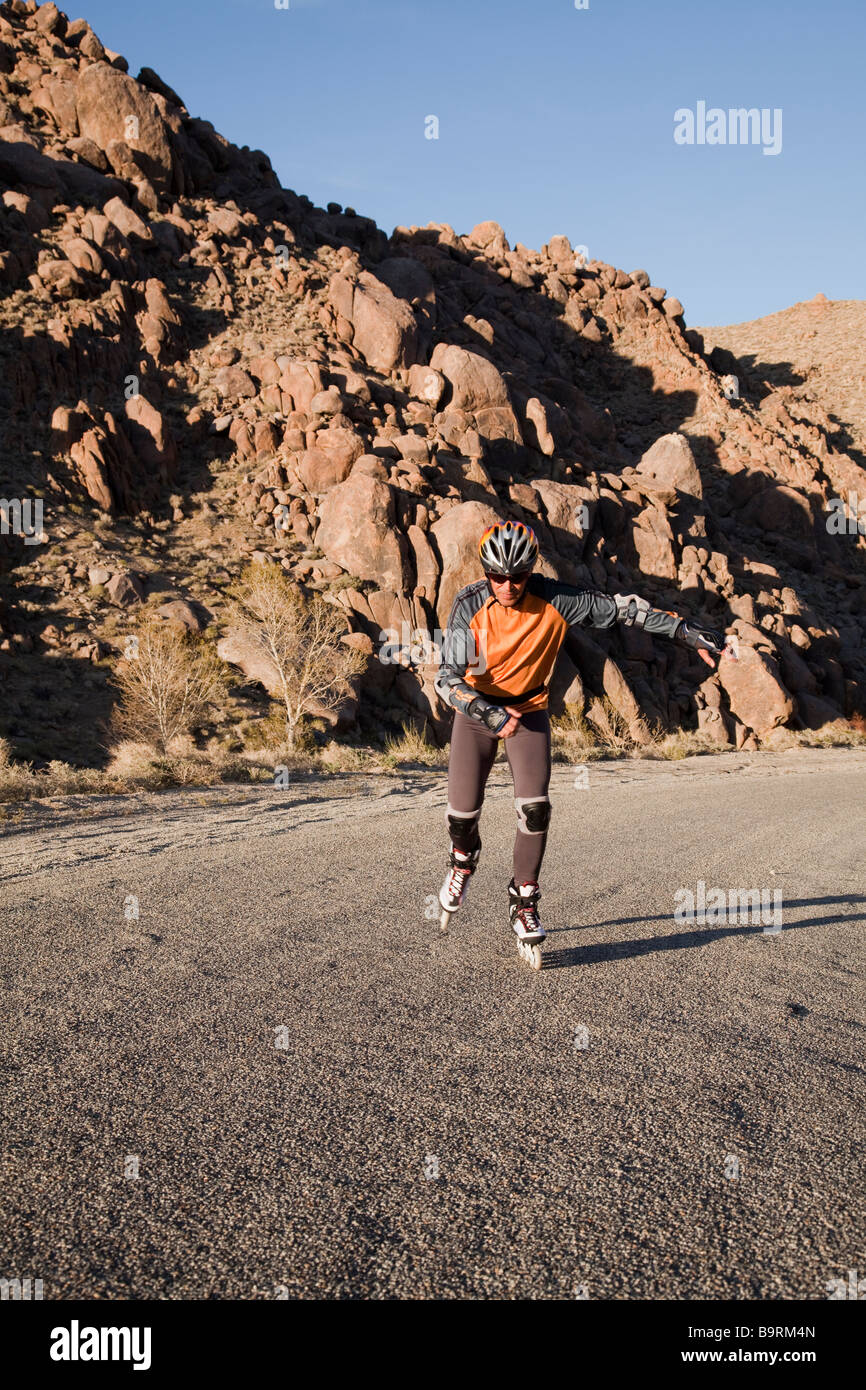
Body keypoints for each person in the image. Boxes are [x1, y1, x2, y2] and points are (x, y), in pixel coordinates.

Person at [433, 520, 732, 951]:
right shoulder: (470, 603)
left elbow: (625, 608)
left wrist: (684, 633)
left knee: (535, 810)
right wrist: (488, 712)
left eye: (516, 576)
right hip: (479, 711)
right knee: (461, 817)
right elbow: (446, 678)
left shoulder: (557, 600)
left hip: (530, 710)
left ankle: (524, 899)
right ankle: (463, 861)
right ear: (485, 573)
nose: (507, 585)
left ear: (530, 570)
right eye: (496, 576)